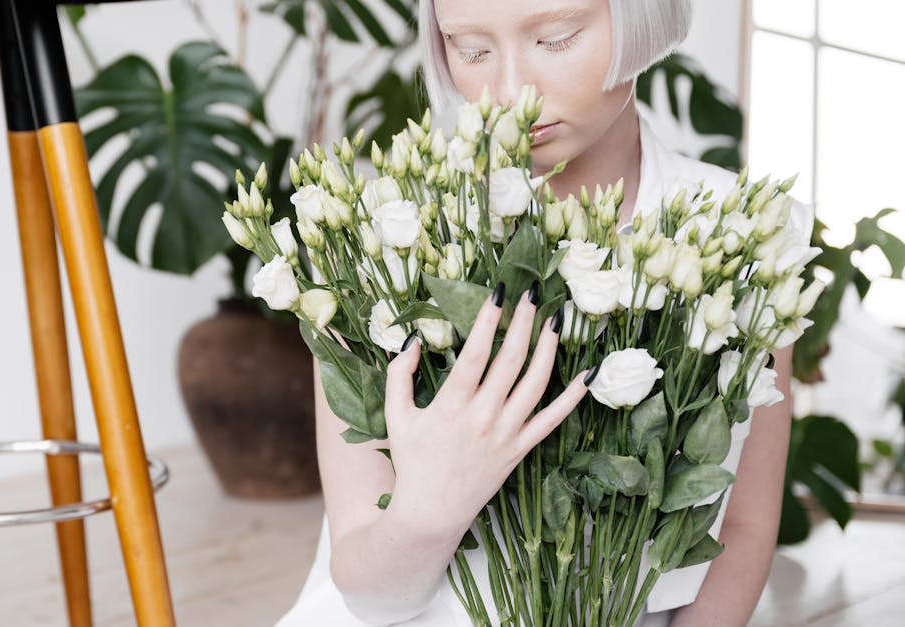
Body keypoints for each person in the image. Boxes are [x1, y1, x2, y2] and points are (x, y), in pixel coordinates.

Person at [276, 1, 813, 625]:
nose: (507, 91)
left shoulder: (746, 235)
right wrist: (430, 506)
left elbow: (742, 527)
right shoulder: (380, 238)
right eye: (471, 50)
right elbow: (368, 593)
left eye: (556, 40)